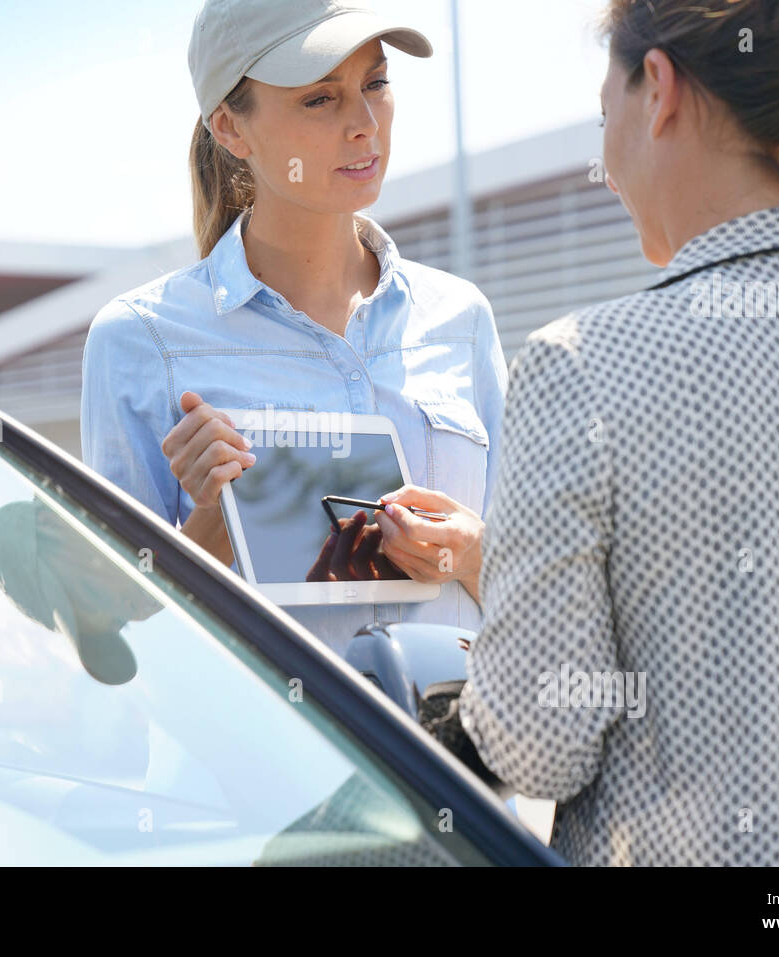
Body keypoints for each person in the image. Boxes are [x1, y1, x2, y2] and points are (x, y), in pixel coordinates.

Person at [459, 0, 779, 865]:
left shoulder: (582, 368)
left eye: (601, 110)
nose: (603, 155)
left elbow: (540, 739)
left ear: (658, 89)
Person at [81, 0, 509, 655]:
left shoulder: (461, 319)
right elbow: (109, 627)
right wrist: (212, 526)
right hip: (252, 760)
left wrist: (474, 556)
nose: (364, 124)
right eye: (319, 99)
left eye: (375, 83)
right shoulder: (142, 340)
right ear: (230, 128)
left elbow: (546, 592)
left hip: (449, 755)